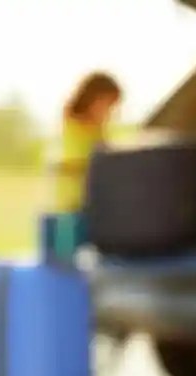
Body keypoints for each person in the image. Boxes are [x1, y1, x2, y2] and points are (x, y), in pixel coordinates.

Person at [47, 71, 122, 263]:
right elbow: (68, 162)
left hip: (95, 203)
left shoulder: (100, 130)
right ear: (92, 99)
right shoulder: (72, 126)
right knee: (68, 253)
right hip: (71, 203)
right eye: (106, 105)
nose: (108, 113)